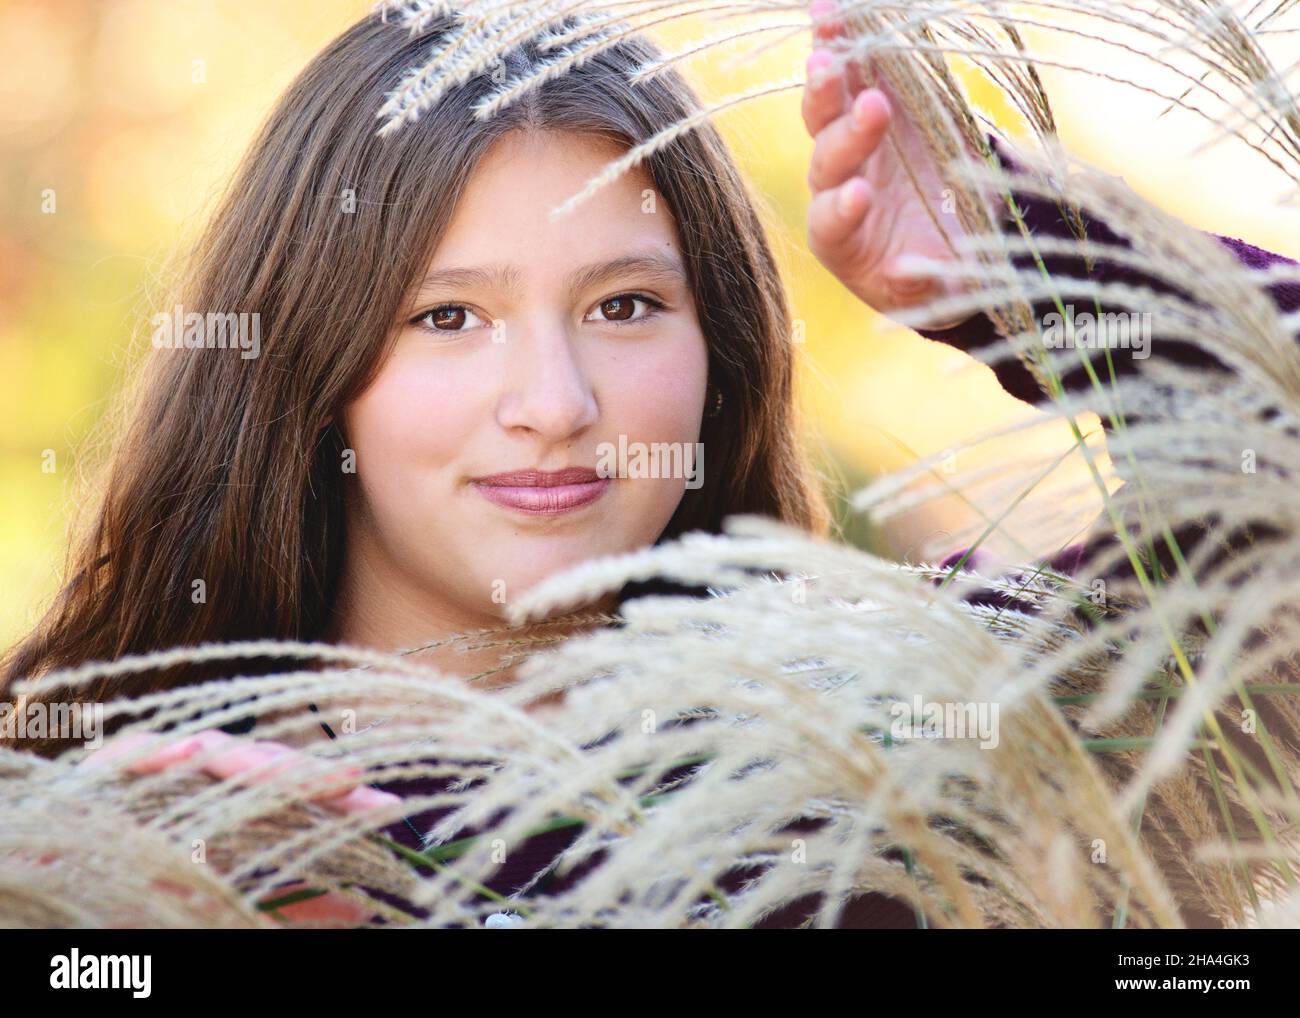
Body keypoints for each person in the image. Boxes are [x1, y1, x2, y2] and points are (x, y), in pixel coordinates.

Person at [9, 3, 1298, 927]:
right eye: (446, 317)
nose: (556, 406)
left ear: (719, 349)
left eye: (625, 306)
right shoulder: (94, 816)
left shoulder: (913, 745)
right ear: (309, 362)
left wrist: (1032, 267)